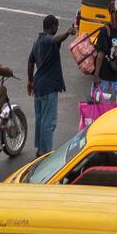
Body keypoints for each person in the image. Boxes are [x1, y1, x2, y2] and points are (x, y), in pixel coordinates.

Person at [27, 14, 76, 156]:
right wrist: (68, 32)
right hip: (48, 87)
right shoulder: (49, 40)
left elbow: (30, 62)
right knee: (49, 121)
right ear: (53, 27)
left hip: (38, 86)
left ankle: (40, 149)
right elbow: (56, 39)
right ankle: (45, 153)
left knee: (41, 119)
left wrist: (30, 81)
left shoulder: (37, 42)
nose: (57, 29)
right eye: (56, 27)